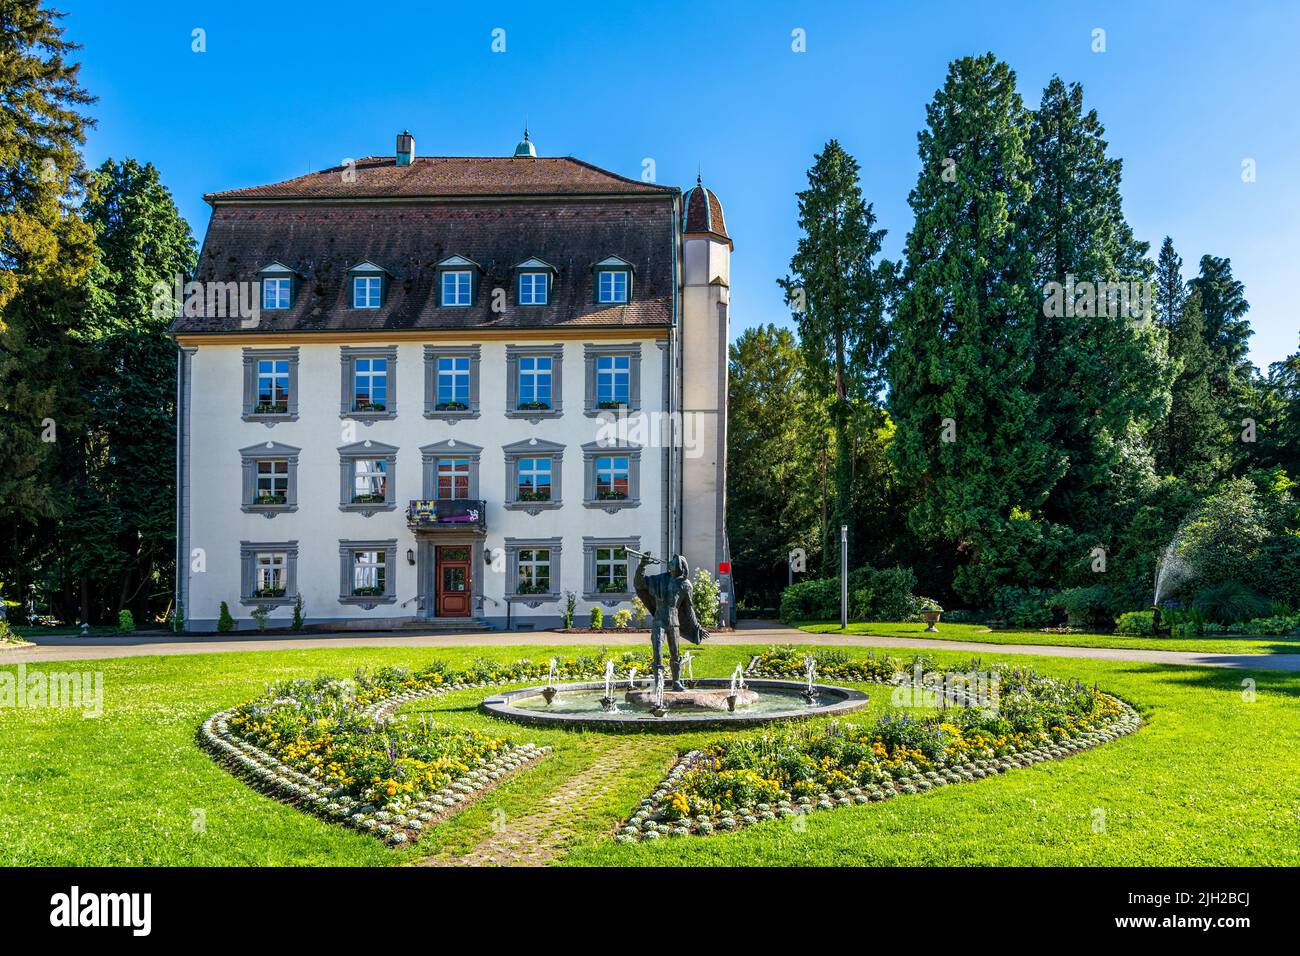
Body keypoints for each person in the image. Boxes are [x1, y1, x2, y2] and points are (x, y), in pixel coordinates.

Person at [632, 551, 708, 691]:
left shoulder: (685, 585)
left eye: (673, 562)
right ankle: (659, 683)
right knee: (658, 652)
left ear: (679, 566)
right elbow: (639, 583)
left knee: (675, 653)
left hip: (674, 623)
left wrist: (697, 627)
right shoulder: (660, 579)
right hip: (658, 621)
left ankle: (676, 682)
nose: (670, 563)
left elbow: (689, 609)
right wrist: (642, 565)